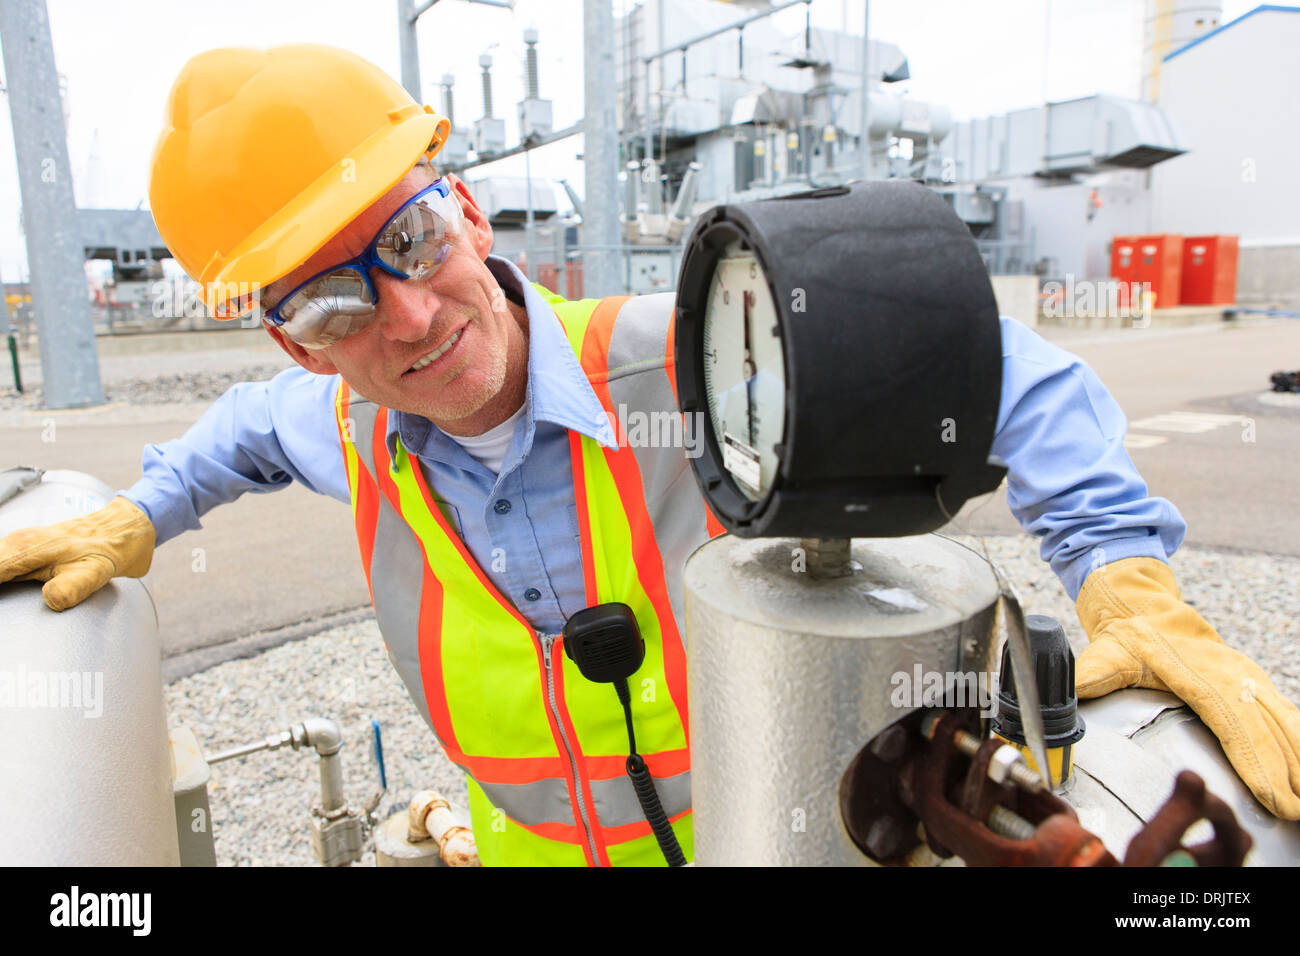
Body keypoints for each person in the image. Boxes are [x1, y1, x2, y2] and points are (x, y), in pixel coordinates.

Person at [1, 44, 1297, 866]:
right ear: (298, 347)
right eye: (335, 306)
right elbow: (236, 435)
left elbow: (1009, 375)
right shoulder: (339, 426)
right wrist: (146, 509)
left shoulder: (687, 361)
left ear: (462, 205)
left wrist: (1127, 579)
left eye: (406, 242)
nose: (406, 317)